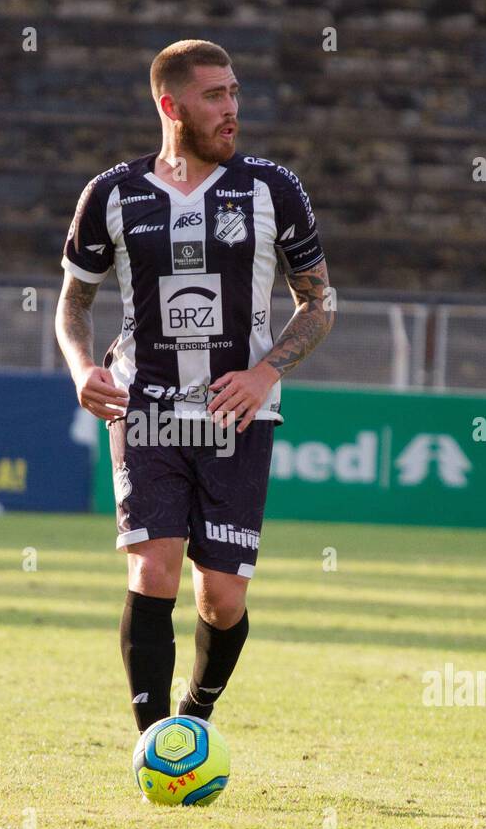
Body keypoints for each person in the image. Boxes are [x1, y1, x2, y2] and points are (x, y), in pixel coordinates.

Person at [55, 39, 334, 733]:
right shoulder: (113, 194)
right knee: (155, 573)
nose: (232, 110)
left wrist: (266, 370)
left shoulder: (273, 189)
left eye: (235, 93)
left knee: (224, 600)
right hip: (143, 407)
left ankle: (196, 712)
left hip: (238, 416)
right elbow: (73, 303)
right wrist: (79, 367)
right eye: (216, 97)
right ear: (170, 105)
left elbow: (321, 301)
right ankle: (156, 742)